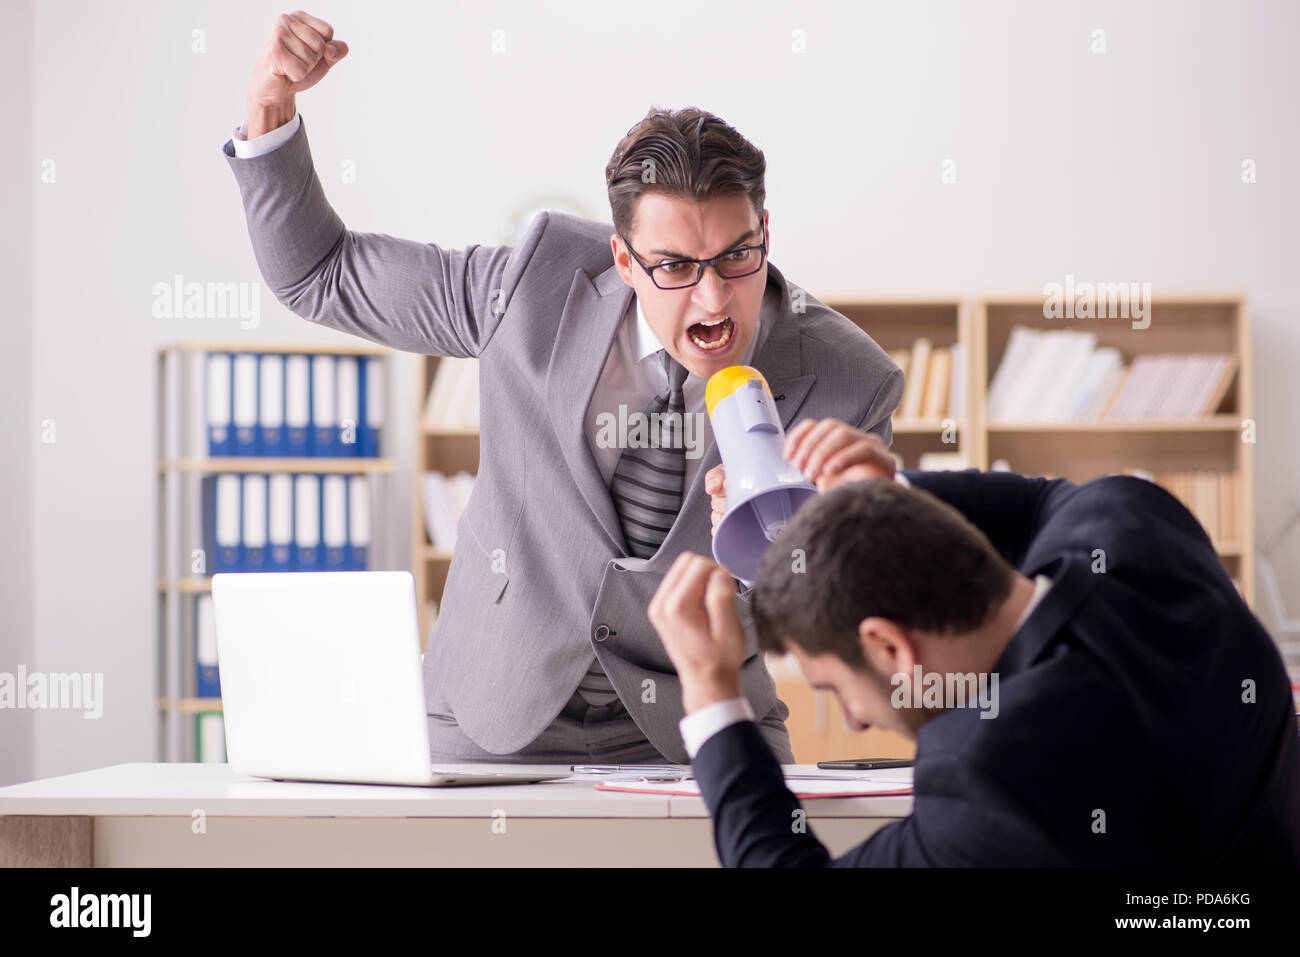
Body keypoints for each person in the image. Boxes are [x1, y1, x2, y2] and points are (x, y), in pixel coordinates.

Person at [222, 13, 902, 764]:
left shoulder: (851, 383)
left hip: (698, 731)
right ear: (622, 257)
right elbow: (320, 273)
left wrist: (793, 549)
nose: (714, 302)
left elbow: (850, 630)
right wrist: (270, 111)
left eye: (737, 256)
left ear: (765, 232)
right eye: (675, 266)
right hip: (488, 716)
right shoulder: (531, 284)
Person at [650, 418, 1300, 865]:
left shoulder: (992, 789)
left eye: (835, 688)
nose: (853, 717)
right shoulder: (1134, 522)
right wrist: (890, 497)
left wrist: (711, 696)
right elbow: (1042, 505)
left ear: (890, 648)